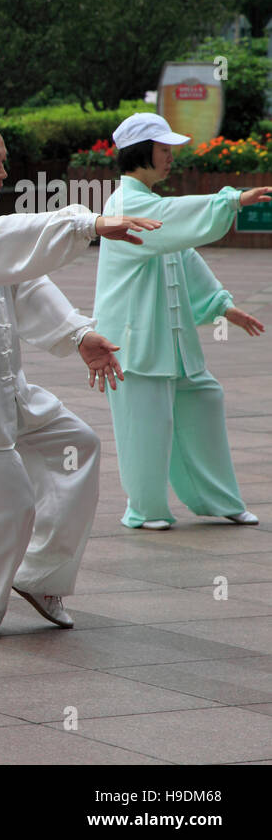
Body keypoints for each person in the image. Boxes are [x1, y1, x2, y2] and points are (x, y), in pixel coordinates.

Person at [0, 113, 161, 638]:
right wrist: (85, 223)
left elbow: (22, 281)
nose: (2, 173)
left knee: (78, 445)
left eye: (5, 162)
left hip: (3, 391)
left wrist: (78, 335)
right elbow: (3, 247)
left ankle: (39, 574)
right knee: (10, 504)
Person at [94, 112, 271, 531]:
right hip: (134, 342)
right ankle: (145, 509)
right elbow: (174, 222)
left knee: (204, 399)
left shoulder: (149, 204)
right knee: (145, 425)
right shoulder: (126, 204)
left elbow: (182, 254)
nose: (170, 156)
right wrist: (229, 200)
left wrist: (221, 303)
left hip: (168, 342)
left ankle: (219, 499)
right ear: (141, 153)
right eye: (163, 149)